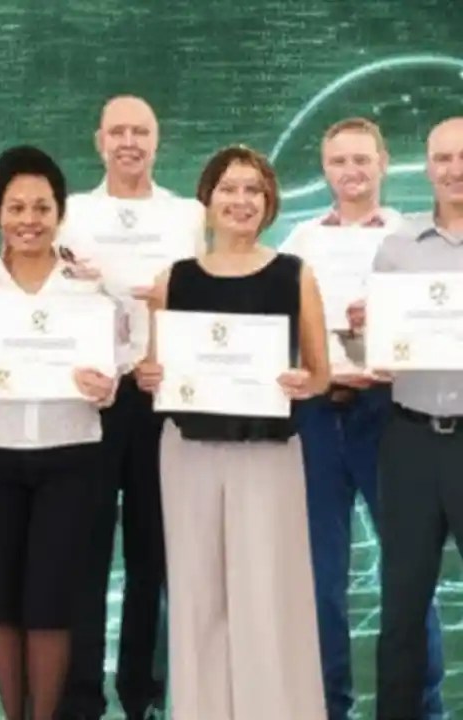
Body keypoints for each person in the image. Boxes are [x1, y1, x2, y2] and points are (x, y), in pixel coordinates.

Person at [135, 145, 329, 719]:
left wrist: (302, 381)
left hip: (266, 454)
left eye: (254, 190)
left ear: (268, 203)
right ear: (207, 199)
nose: (241, 201)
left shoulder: (296, 275)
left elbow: (320, 375)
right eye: (229, 188)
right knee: (198, 592)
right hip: (189, 452)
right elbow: (156, 370)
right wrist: (150, 375)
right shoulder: (174, 278)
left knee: (266, 591)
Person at [0, 145, 122, 720]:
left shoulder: (89, 288)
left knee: (51, 601)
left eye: (41, 207)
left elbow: (115, 367)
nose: (29, 219)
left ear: (59, 212)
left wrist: (105, 385)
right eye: (16, 207)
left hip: (70, 454)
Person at [276, 117, 445, 720]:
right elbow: (278, 330)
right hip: (317, 416)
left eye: (362, 160)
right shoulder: (297, 240)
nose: (351, 171)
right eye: (338, 161)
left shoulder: (414, 236)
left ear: (383, 162)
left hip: (389, 414)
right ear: (324, 169)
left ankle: (419, 709)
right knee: (320, 581)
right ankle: (328, 707)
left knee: (407, 575)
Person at [54, 95, 203, 720]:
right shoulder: (71, 214)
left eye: (141, 130)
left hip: (162, 397)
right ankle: (80, 695)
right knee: (84, 552)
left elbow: (206, 301)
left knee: (153, 556)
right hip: (91, 397)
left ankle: (142, 692)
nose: (129, 141)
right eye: (117, 131)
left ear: (157, 140)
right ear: (98, 141)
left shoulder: (190, 215)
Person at [346, 116, 463, 720]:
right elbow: (380, 356)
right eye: (442, 158)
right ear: (426, 166)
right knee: (401, 609)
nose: (454, 169)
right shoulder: (396, 246)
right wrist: (372, 333)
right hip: (411, 439)